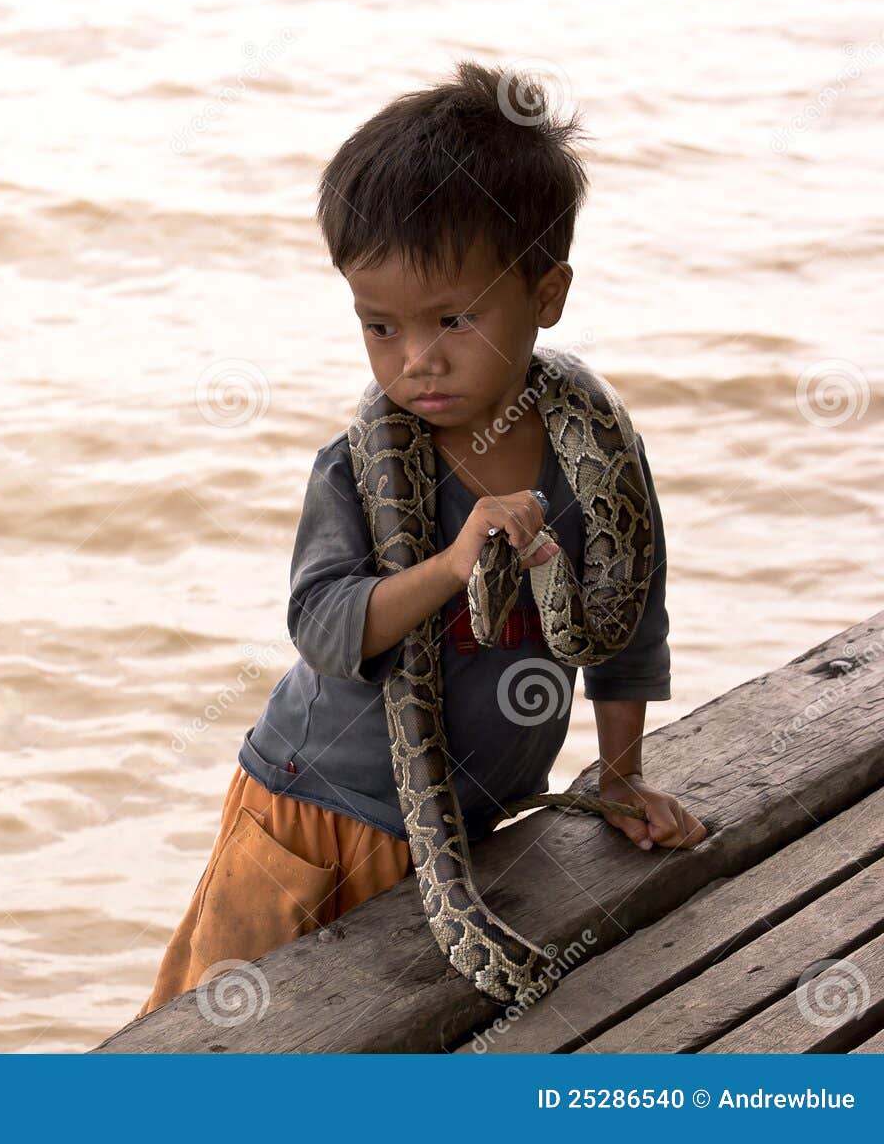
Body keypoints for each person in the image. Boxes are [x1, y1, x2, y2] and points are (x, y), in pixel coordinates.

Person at [136, 59, 707, 1022]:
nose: (418, 360)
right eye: (379, 327)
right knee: (218, 1045)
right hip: (313, 816)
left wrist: (618, 774)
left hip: (478, 825)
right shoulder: (355, 469)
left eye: (454, 319)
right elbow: (323, 629)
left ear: (547, 293)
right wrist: (450, 565)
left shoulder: (597, 455)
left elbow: (629, 621)